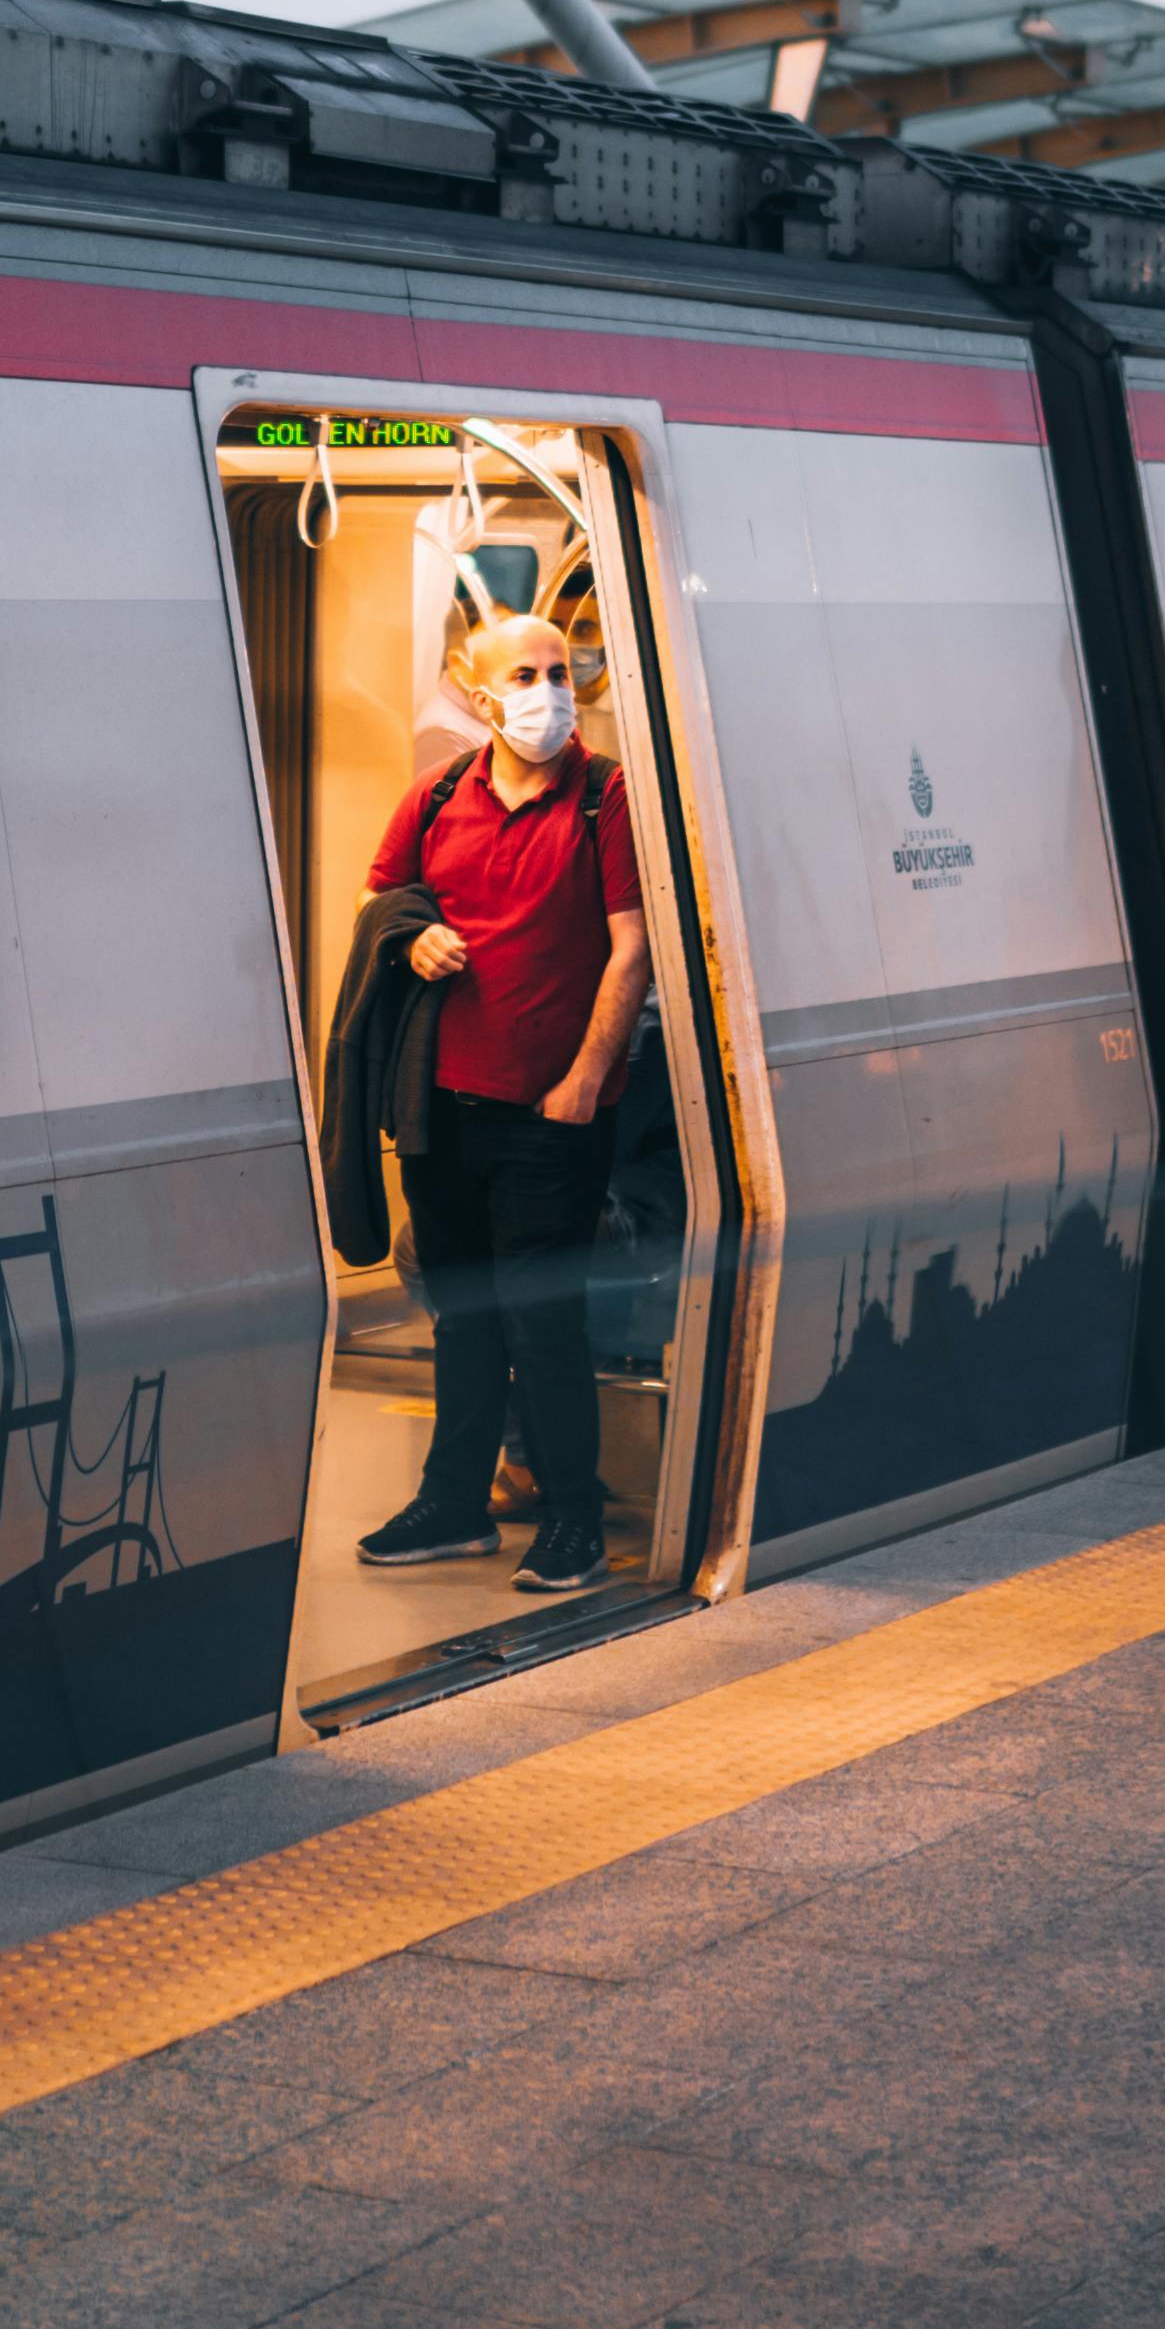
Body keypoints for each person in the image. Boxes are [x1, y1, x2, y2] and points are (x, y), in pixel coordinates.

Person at [356, 604, 653, 1596]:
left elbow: (632, 947)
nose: (548, 695)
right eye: (524, 678)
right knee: (462, 1314)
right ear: (476, 693)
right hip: (440, 1106)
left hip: (552, 1115)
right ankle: (454, 1505)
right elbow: (383, 905)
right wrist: (411, 940)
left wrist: (584, 1078)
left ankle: (573, 1518)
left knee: (542, 1320)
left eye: (558, 673)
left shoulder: (605, 801)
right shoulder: (436, 797)